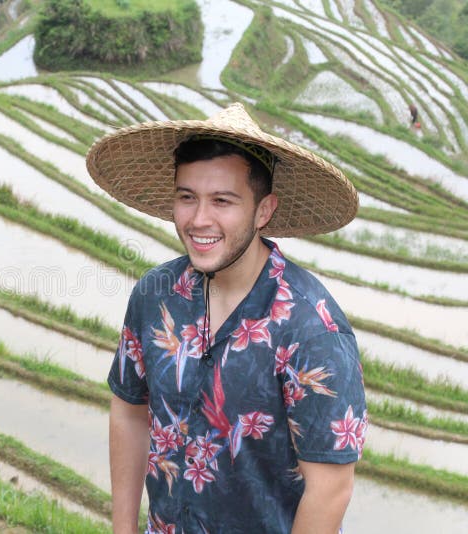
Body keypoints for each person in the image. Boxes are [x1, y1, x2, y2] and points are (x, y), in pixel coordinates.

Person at [86, 104, 367, 533]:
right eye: (187, 197)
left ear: (263, 210)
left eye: (222, 201)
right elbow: (128, 409)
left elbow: (330, 488)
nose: (199, 220)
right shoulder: (156, 295)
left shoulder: (312, 328)